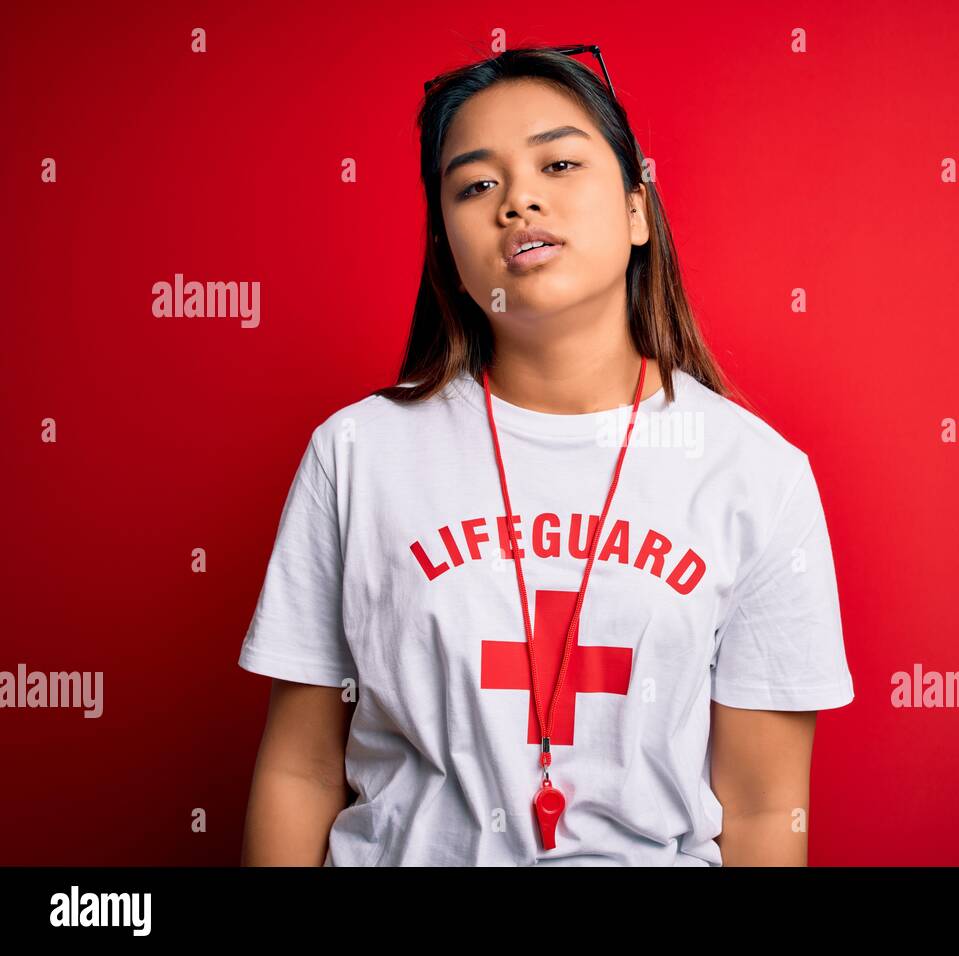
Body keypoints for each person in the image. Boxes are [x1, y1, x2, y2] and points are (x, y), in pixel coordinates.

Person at [237, 46, 854, 867]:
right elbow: (301, 768)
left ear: (638, 210)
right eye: (476, 184)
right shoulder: (357, 455)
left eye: (558, 163)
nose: (518, 198)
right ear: (449, 253)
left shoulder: (757, 475)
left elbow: (766, 806)